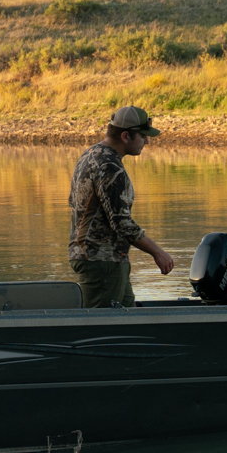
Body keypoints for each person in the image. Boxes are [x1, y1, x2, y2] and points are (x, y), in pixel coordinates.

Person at [68, 105, 177, 307]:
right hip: (102, 263)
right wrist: (158, 253)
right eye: (143, 136)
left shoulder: (90, 154)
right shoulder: (110, 167)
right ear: (126, 136)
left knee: (129, 321)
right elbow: (122, 223)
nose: (147, 141)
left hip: (105, 259)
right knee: (104, 330)